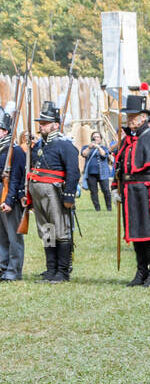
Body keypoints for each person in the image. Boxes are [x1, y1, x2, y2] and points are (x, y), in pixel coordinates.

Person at [113, 95, 150, 286]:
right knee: (136, 233)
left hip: (147, 192)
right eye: (128, 116)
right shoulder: (127, 140)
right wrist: (116, 187)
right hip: (130, 192)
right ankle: (141, 272)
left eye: (133, 115)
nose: (130, 119)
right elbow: (120, 166)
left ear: (143, 117)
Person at [27, 102, 81, 283]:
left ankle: (63, 271)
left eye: (45, 122)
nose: (41, 125)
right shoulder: (39, 145)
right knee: (47, 231)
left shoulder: (64, 145)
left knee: (61, 231)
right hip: (39, 193)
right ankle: (51, 269)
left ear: (56, 125)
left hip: (55, 193)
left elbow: (73, 172)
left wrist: (69, 195)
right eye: (41, 122)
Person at [0, 113, 27, 280]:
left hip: (9, 193)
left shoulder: (15, 150)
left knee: (13, 235)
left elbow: (16, 178)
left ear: (4, 131)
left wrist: (9, 200)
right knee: (1, 235)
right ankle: (2, 267)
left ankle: (14, 270)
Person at [80, 131, 114, 211]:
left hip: (103, 172)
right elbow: (84, 154)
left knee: (106, 190)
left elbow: (104, 155)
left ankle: (109, 208)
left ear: (101, 139)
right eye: (94, 137)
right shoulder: (86, 147)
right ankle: (97, 208)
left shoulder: (104, 148)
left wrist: (98, 147)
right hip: (91, 173)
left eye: (97, 137)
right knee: (93, 192)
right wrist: (89, 147)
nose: (95, 138)